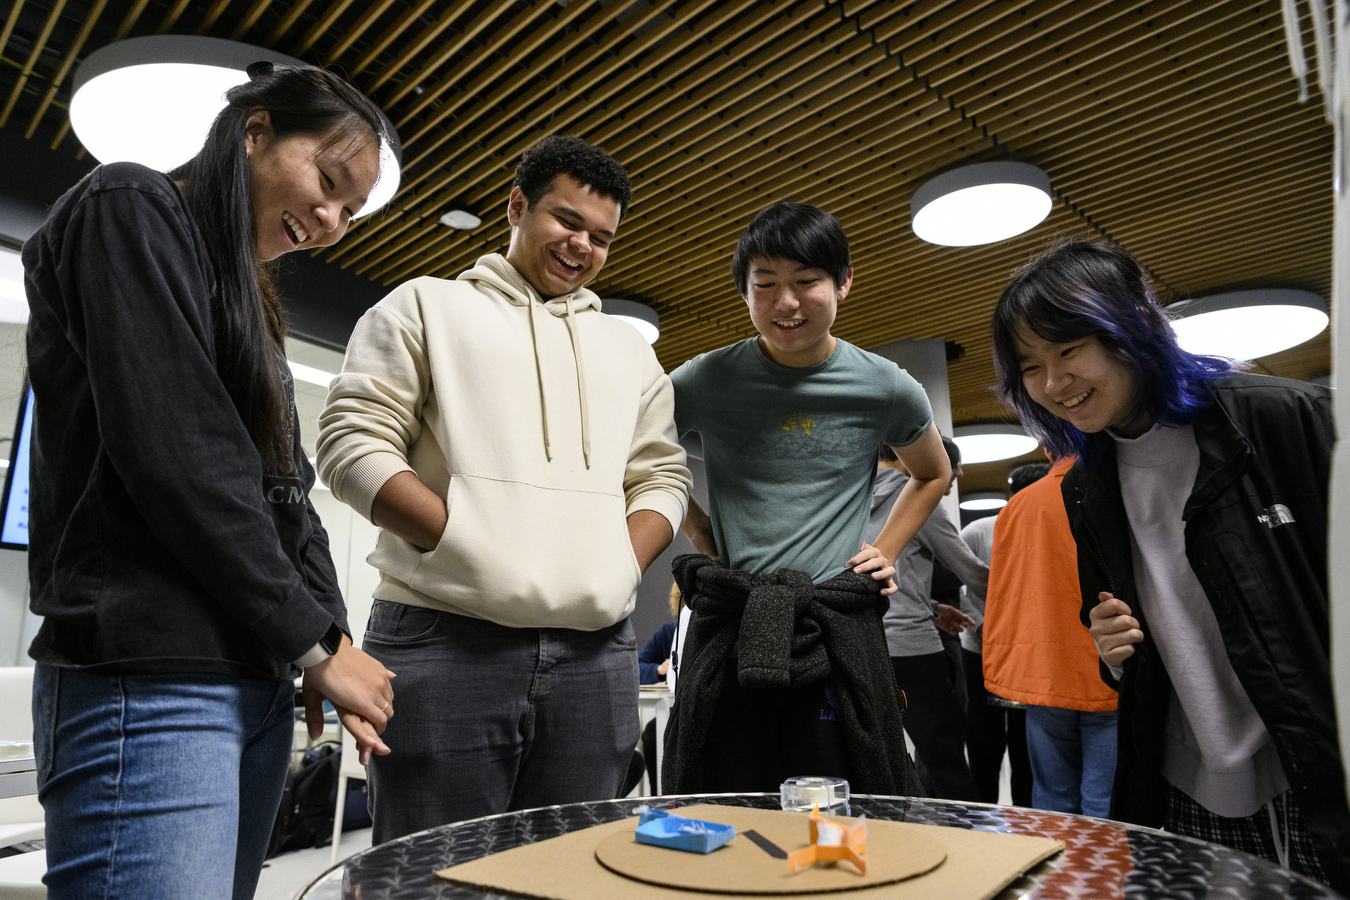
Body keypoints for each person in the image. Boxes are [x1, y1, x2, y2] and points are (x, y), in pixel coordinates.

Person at [22, 63, 397, 899]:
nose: (332, 219)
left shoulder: (252, 301)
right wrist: (316, 641)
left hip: (253, 682)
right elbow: (179, 453)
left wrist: (326, 639)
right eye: (328, 182)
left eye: (351, 210)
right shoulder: (129, 205)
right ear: (255, 131)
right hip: (152, 675)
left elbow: (286, 493)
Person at [317, 135, 691, 841]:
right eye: (567, 222)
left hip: (595, 651)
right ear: (517, 206)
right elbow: (349, 442)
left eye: (602, 238)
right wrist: (463, 537)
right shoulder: (423, 306)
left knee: (574, 873)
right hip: (443, 637)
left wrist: (621, 564)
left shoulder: (630, 352)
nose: (582, 246)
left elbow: (662, 475)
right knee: (433, 879)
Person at [991, 237, 1348, 889]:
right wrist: (1110, 643)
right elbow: (1133, 615)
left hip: (1313, 764)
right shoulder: (1084, 485)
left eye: (1069, 349)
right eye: (1031, 366)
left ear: (1133, 326)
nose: (1053, 383)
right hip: (1187, 780)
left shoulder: (1280, 421)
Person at [663, 200, 950, 796]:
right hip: (733, 617)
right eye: (764, 284)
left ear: (843, 282)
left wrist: (886, 548)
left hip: (834, 618)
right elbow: (632, 455)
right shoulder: (707, 378)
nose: (785, 304)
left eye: (806, 282)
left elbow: (932, 473)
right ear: (744, 292)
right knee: (728, 790)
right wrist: (698, 531)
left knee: (847, 789)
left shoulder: (884, 384)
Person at [981, 458, 1114, 815]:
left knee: (1053, 798)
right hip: (1109, 666)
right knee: (1105, 800)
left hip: (1044, 669)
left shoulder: (1019, 505)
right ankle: (1103, 871)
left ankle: (1059, 871)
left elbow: (1003, 591)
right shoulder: (1115, 490)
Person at [867, 438, 984, 801]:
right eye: (953, 462)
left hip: (863, 647)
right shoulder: (918, 497)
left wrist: (933, 609)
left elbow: (867, 579)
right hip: (914, 651)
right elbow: (975, 574)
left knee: (877, 762)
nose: (957, 472)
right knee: (947, 764)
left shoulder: (849, 500)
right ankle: (968, 852)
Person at [957, 462, 1040, 808]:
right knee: (984, 737)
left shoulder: (1043, 530)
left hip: (1028, 655)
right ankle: (982, 813)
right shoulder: (979, 531)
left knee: (1026, 742)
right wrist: (981, 623)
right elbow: (955, 587)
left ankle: (1024, 816)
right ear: (1011, 497)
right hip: (979, 651)